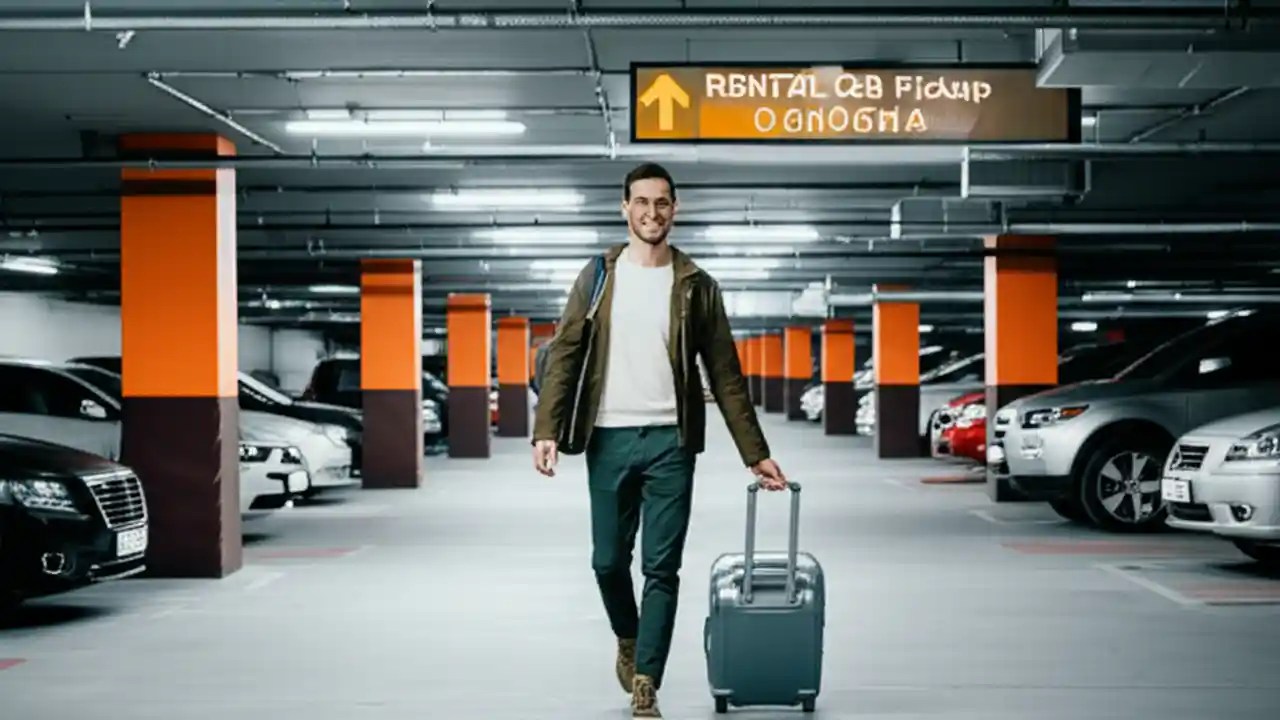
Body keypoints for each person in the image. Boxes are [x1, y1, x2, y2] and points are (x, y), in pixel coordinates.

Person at [531, 162, 787, 718]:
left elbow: (725, 375)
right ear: (625, 207)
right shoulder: (598, 277)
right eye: (642, 202)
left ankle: (646, 680)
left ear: (676, 208)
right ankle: (629, 636)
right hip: (607, 437)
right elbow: (566, 352)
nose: (652, 212)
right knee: (606, 562)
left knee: (660, 568)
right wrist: (546, 429)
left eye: (662, 202)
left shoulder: (696, 286)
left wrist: (756, 454)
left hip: (672, 442)